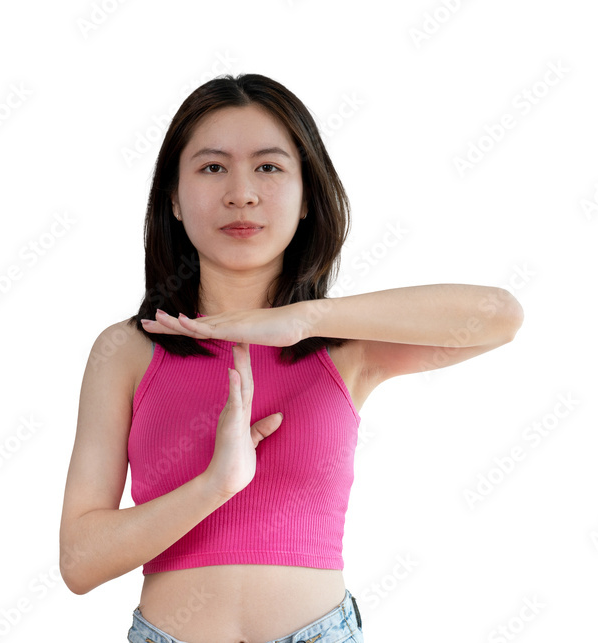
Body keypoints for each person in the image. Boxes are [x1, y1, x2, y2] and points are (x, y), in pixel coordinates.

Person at [59, 73, 524, 643]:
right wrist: (215, 485)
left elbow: (501, 316)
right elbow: (79, 562)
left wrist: (304, 319)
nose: (241, 193)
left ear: (307, 198)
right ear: (173, 199)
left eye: (269, 167)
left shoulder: (346, 346)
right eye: (212, 167)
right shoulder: (128, 349)